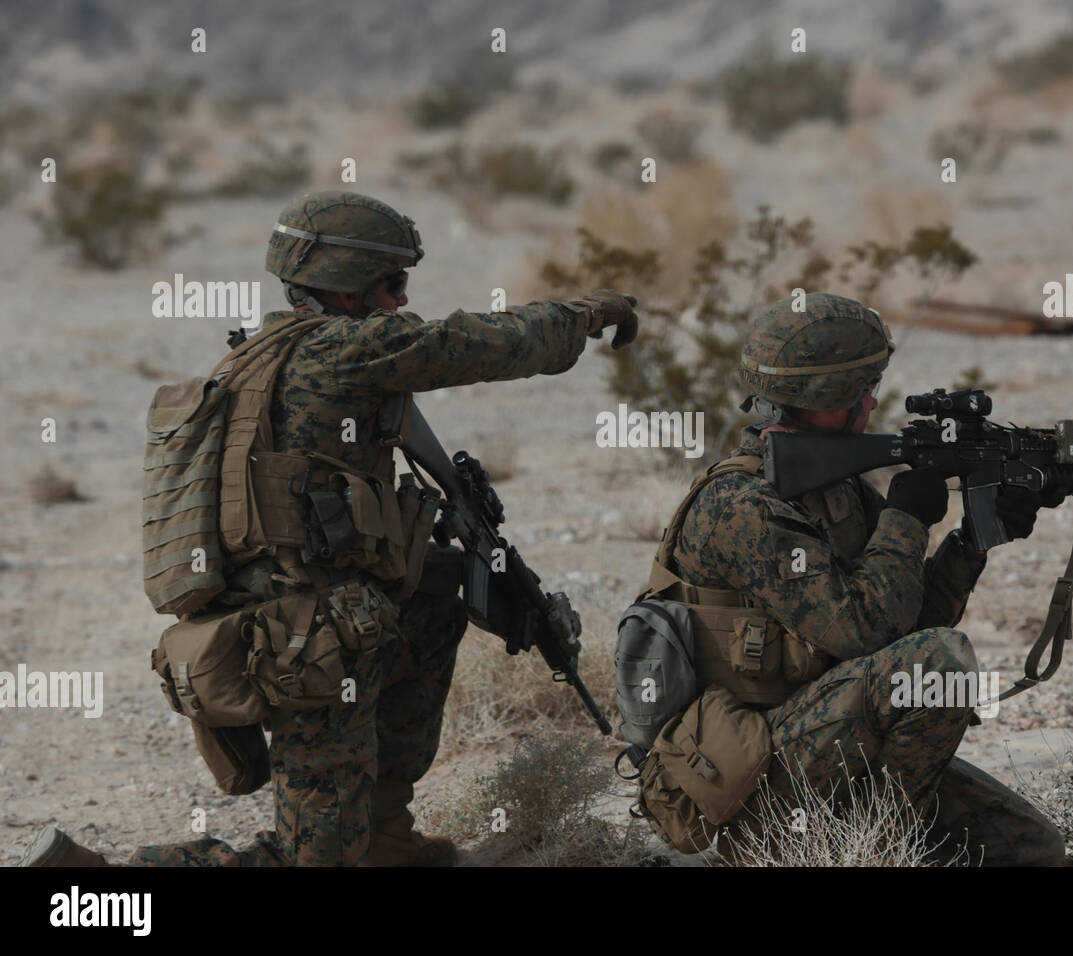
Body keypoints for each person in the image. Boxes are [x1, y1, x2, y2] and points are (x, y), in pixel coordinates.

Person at [23, 190, 638, 867]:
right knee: (315, 860)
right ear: (348, 287)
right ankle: (99, 879)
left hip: (304, 622)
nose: (401, 301)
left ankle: (383, 833)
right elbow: (479, 344)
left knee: (437, 597)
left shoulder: (261, 352)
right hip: (305, 644)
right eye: (392, 283)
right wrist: (578, 317)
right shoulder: (342, 353)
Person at [652, 291, 1064, 865]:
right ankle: (863, 851)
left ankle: (866, 838)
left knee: (1033, 852)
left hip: (825, 741)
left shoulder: (838, 490)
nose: (872, 399)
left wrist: (972, 540)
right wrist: (904, 519)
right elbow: (866, 634)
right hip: (751, 780)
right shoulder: (739, 507)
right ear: (824, 395)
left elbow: (906, 627)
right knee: (939, 663)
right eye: (860, 387)